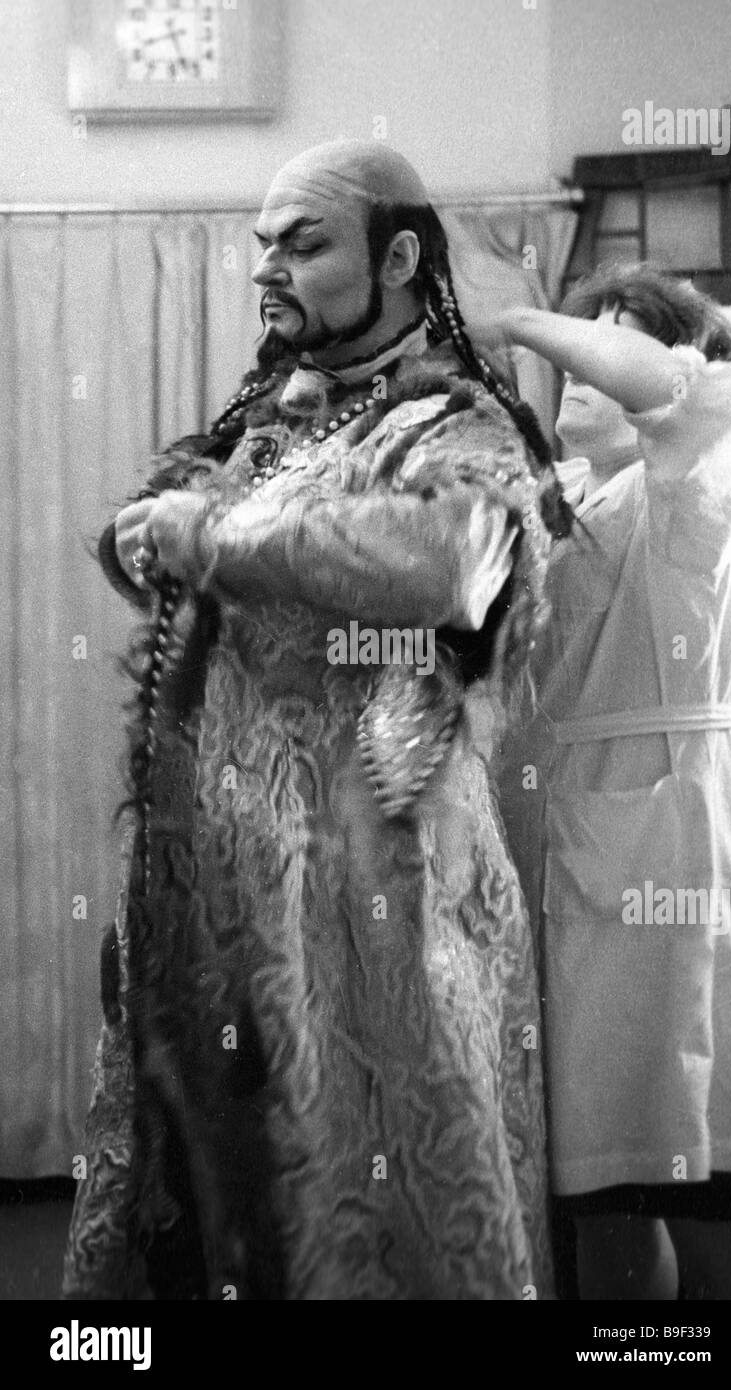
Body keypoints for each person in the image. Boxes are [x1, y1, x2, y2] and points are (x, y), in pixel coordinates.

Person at [62, 140, 568, 1301]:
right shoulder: (275, 424)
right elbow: (175, 541)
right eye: (260, 245)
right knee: (215, 1203)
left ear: (395, 256)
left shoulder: (454, 418)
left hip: (365, 890)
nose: (265, 269)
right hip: (217, 882)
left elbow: (457, 555)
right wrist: (146, 537)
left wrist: (214, 536)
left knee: (362, 1199)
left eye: (302, 242)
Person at [492, 264, 731, 1300]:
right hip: (566, 848)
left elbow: (680, 391)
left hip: (677, 848)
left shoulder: (693, 484)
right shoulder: (551, 500)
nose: (576, 363)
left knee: (702, 1177)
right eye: (567, 341)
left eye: (600, 342)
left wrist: (516, 315)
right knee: (602, 1199)